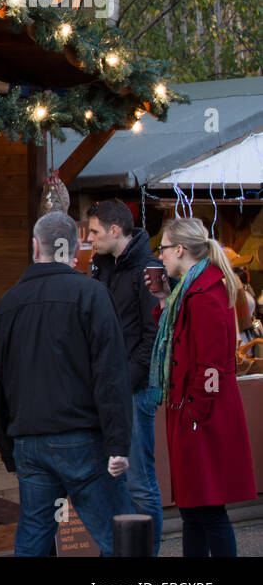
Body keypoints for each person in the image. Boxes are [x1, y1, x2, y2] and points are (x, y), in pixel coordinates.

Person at [0, 211, 133, 557]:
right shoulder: (92, 294)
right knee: (119, 538)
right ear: (77, 251)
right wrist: (118, 443)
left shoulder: (8, 304)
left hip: (30, 442)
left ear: (34, 247)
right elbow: (111, 374)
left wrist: (8, 447)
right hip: (82, 438)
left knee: (34, 539)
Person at [146, 217, 256, 556]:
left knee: (208, 510)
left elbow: (208, 364)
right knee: (194, 510)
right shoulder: (191, 288)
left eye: (162, 248)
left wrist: (194, 412)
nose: (159, 256)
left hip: (201, 417)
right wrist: (164, 298)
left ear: (179, 249)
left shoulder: (204, 292)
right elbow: (179, 338)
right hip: (191, 413)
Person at [86, 199, 164, 552]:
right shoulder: (101, 267)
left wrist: (122, 381)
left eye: (94, 232)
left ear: (115, 230)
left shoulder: (149, 270)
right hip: (108, 389)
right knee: (113, 480)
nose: (89, 239)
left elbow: (153, 340)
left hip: (133, 390)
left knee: (140, 483)